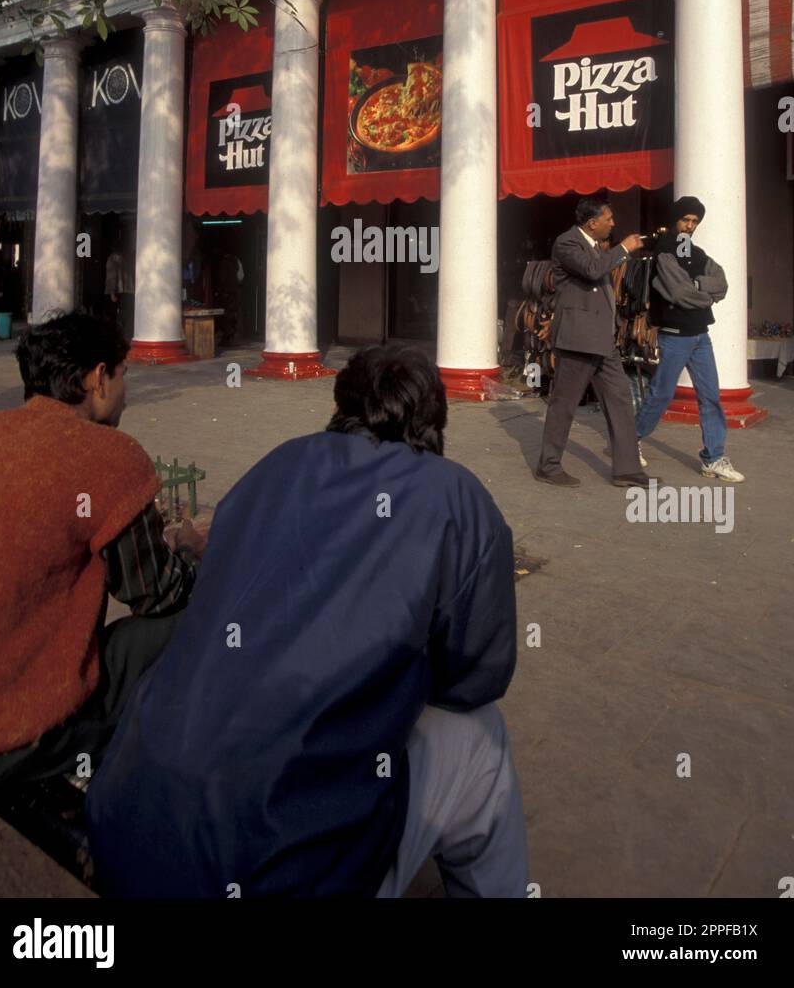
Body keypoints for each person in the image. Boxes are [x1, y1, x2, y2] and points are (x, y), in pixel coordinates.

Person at [87, 346, 527, 899]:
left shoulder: (274, 465)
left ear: (341, 402)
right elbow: (477, 677)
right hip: (274, 866)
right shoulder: (455, 496)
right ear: (435, 421)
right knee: (480, 737)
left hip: (127, 824)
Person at [0, 311, 204, 797]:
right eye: (123, 375)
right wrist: (189, 552)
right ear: (98, 378)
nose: (125, 391)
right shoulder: (107, 455)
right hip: (10, 735)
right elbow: (157, 594)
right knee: (198, 612)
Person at [535, 196, 650, 488]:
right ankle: (548, 466)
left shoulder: (598, 247)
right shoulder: (568, 243)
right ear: (591, 223)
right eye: (608, 219)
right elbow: (591, 270)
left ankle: (627, 470)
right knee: (564, 404)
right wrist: (624, 248)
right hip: (577, 339)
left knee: (620, 400)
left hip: (601, 339)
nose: (613, 223)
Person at [635, 197, 744, 482]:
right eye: (686, 220)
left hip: (700, 335)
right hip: (674, 336)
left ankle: (714, 458)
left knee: (711, 397)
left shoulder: (697, 253)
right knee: (661, 394)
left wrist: (695, 286)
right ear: (676, 219)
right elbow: (678, 294)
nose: (690, 226)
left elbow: (722, 283)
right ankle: (629, 441)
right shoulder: (664, 252)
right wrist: (701, 291)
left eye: (695, 221)